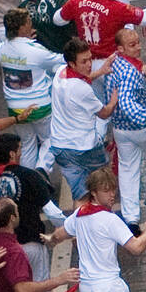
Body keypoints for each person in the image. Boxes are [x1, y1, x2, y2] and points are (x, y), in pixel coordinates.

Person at [107, 26, 146, 231]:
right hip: (141, 128)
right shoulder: (128, 74)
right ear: (121, 48)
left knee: (128, 171)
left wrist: (140, 71)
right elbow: (126, 102)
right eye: (132, 45)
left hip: (120, 130)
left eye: (137, 43)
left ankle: (131, 217)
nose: (138, 48)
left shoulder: (117, 63)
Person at [0, 133, 67, 286]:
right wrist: (69, 229)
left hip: (3, 250)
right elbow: (51, 211)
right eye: (19, 149)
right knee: (39, 290)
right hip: (31, 244)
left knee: (12, 291)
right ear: (12, 154)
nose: (21, 152)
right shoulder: (30, 176)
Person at [48, 38, 119, 201]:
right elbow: (105, 113)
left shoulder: (60, 73)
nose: (89, 64)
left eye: (90, 59)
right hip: (85, 148)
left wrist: (100, 71)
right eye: (84, 61)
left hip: (61, 148)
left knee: (81, 196)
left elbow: (83, 78)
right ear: (72, 64)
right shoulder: (82, 90)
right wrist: (114, 98)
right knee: (103, 183)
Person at [0, 8, 63, 175]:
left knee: (26, 144)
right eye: (29, 22)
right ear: (22, 28)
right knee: (50, 139)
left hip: (15, 107)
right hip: (40, 106)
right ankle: (41, 170)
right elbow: (59, 60)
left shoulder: (1, 49)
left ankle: (27, 177)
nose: (31, 24)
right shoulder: (36, 51)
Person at [54, 0, 146, 61]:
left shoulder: (76, 1)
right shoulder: (119, 8)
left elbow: (57, 20)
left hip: (86, 63)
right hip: (113, 64)